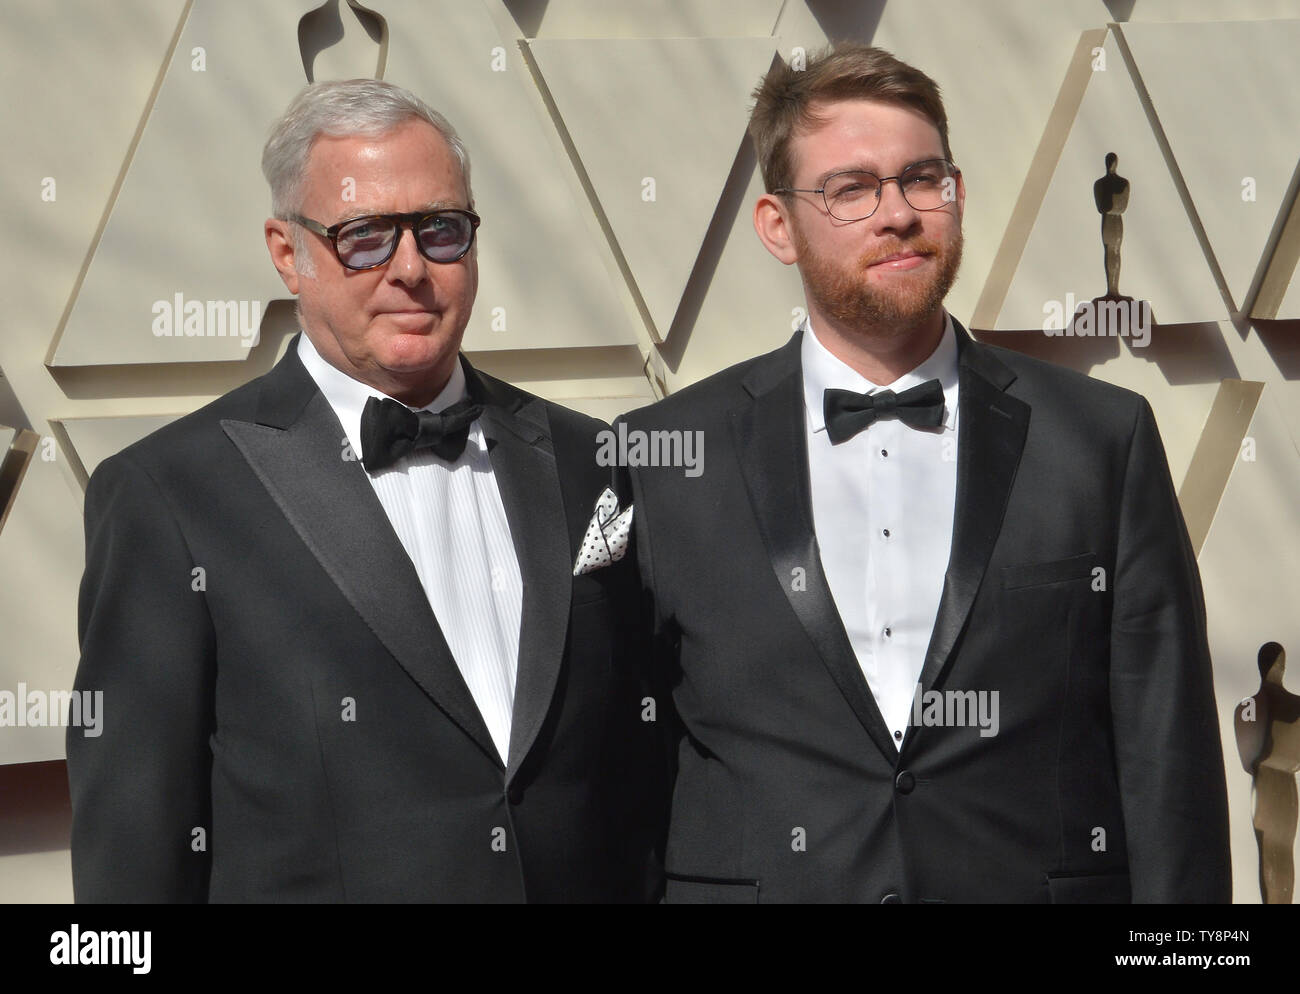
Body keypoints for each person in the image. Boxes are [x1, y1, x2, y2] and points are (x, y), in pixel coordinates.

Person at [620, 44, 1230, 903]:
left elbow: (1170, 767)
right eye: (851, 189)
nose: (899, 214)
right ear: (777, 226)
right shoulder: (662, 459)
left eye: (921, 179)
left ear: (957, 193)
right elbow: (615, 781)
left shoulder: (1102, 439)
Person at [67, 78, 663, 902]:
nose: (410, 269)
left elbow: (641, 783)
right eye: (365, 237)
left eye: (440, 229)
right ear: (288, 253)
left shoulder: (589, 459)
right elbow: (134, 848)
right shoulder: (170, 496)